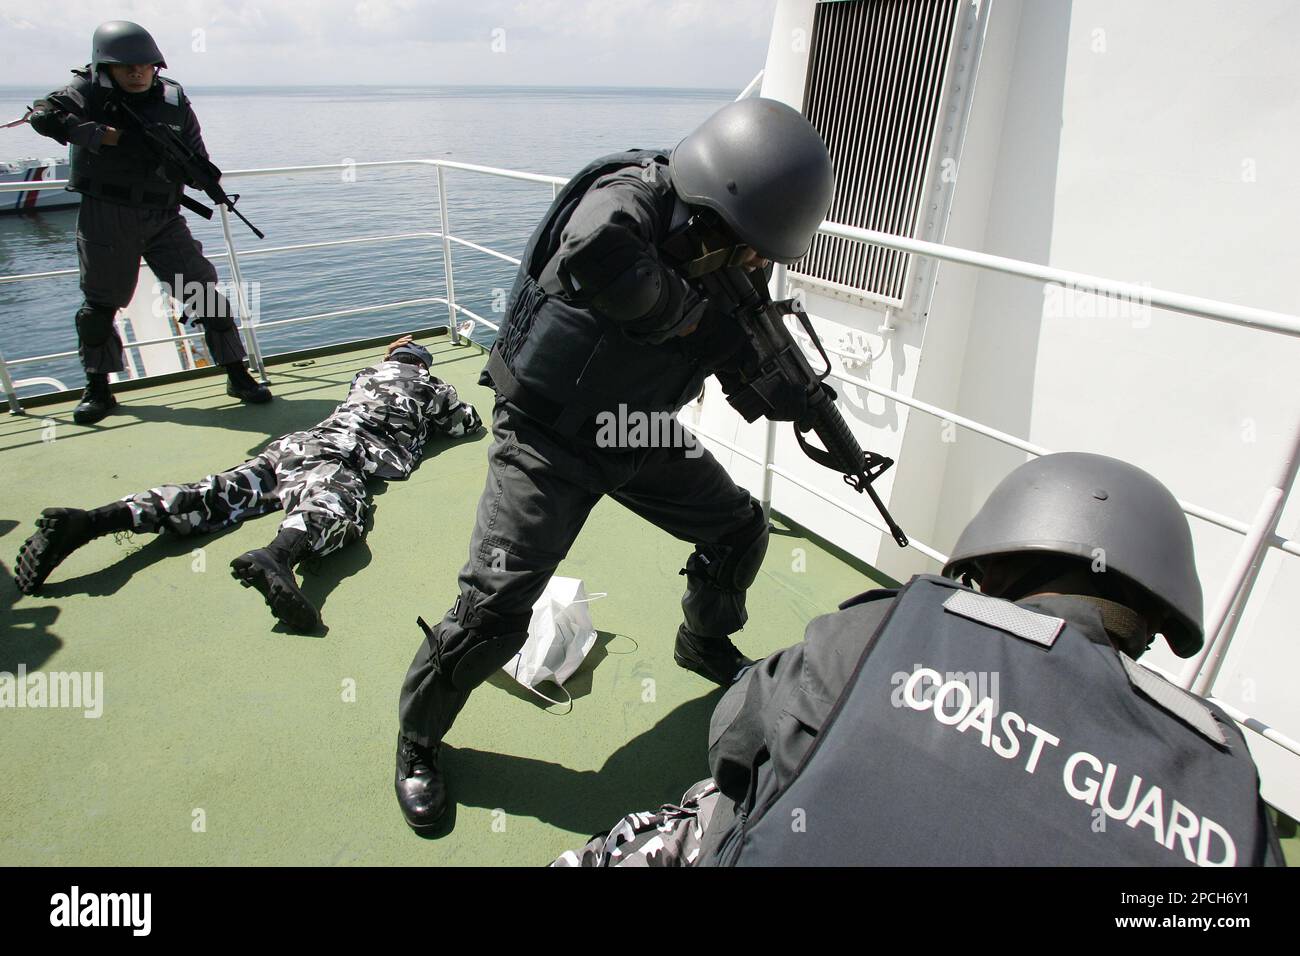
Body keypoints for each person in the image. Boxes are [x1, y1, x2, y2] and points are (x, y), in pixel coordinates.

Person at [394, 97, 838, 832]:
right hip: (549, 438)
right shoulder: (625, 201)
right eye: (749, 246)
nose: (756, 262)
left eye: (763, 251)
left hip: (633, 430)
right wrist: (698, 319)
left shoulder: (726, 255)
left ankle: (702, 637)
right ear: (711, 206)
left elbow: (741, 357)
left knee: (738, 528)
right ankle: (417, 739)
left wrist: (788, 393)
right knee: (493, 610)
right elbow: (604, 260)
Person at [552, 453, 1286, 867]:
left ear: (990, 569)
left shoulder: (876, 637)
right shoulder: (1226, 795)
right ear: (1154, 623)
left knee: (705, 810)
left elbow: (732, 742)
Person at [14, 336, 482, 631]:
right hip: (343, 453)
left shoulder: (363, 376)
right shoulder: (432, 388)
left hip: (298, 443)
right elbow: (467, 423)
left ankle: (95, 520)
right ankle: (277, 557)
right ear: (423, 365)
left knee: (214, 493)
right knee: (336, 502)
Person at [26, 20, 271, 424]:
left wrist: (197, 174)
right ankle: (98, 389)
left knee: (205, 293)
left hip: (163, 215)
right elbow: (43, 116)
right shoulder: (87, 91)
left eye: (145, 65)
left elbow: (196, 153)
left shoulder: (172, 99)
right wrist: (110, 138)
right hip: (107, 213)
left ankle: (237, 375)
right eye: (126, 67)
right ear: (106, 67)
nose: (137, 73)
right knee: (100, 307)